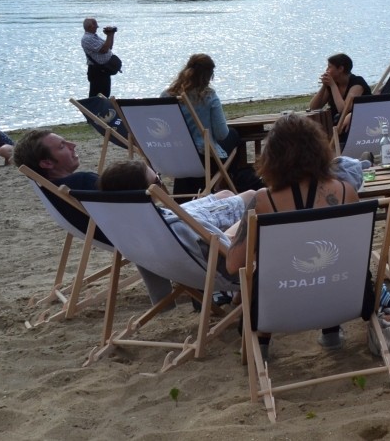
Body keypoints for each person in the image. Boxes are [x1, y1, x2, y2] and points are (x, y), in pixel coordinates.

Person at [224, 113, 363, 352]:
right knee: (330, 264)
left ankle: (262, 346)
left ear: (273, 157)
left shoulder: (262, 201)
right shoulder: (346, 191)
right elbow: (356, 251)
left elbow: (233, 265)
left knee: (269, 275)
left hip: (278, 308)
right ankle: (331, 332)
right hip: (341, 299)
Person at [97, 160, 256, 259]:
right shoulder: (168, 226)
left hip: (165, 221)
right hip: (192, 237)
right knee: (253, 197)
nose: (161, 182)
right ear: (145, 193)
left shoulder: (123, 220)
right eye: (157, 181)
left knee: (225, 194)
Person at [164, 53, 244, 193]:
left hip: (176, 157)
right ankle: (224, 184)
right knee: (234, 135)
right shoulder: (209, 96)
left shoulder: (167, 95)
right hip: (203, 159)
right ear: (209, 75)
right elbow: (221, 134)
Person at [308, 53, 369, 139]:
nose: (326, 70)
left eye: (330, 67)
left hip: (357, 125)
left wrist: (333, 85)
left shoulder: (357, 83)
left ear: (340, 69)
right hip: (337, 126)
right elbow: (313, 107)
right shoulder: (333, 84)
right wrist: (324, 86)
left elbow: (343, 110)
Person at [81, 17, 118, 98]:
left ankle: (102, 110)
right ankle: (93, 110)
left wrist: (111, 35)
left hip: (104, 70)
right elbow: (104, 50)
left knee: (105, 95)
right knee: (97, 97)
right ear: (90, 27)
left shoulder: (94, 37)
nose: (97, 27)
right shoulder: (87, 38)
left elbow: (109, 47)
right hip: (97, 72)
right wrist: (108, 35)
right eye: (95, 25)